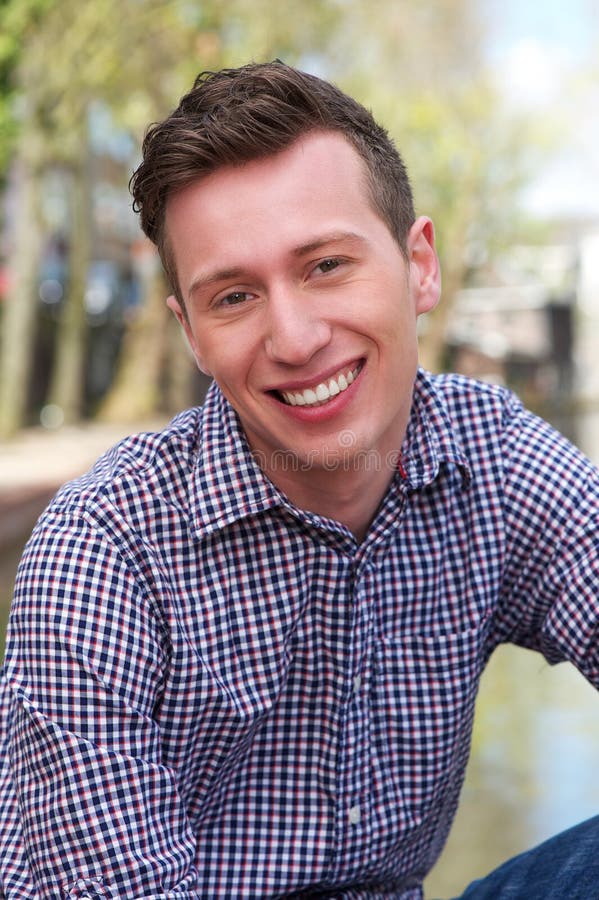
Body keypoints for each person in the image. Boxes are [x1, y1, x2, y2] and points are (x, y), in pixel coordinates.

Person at [0, 61, 597, 900]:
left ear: (418, 266)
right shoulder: (103, 550)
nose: (294, 336)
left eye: (324, 266)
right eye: (235, 296)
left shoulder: (491, 458)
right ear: (193, 335)